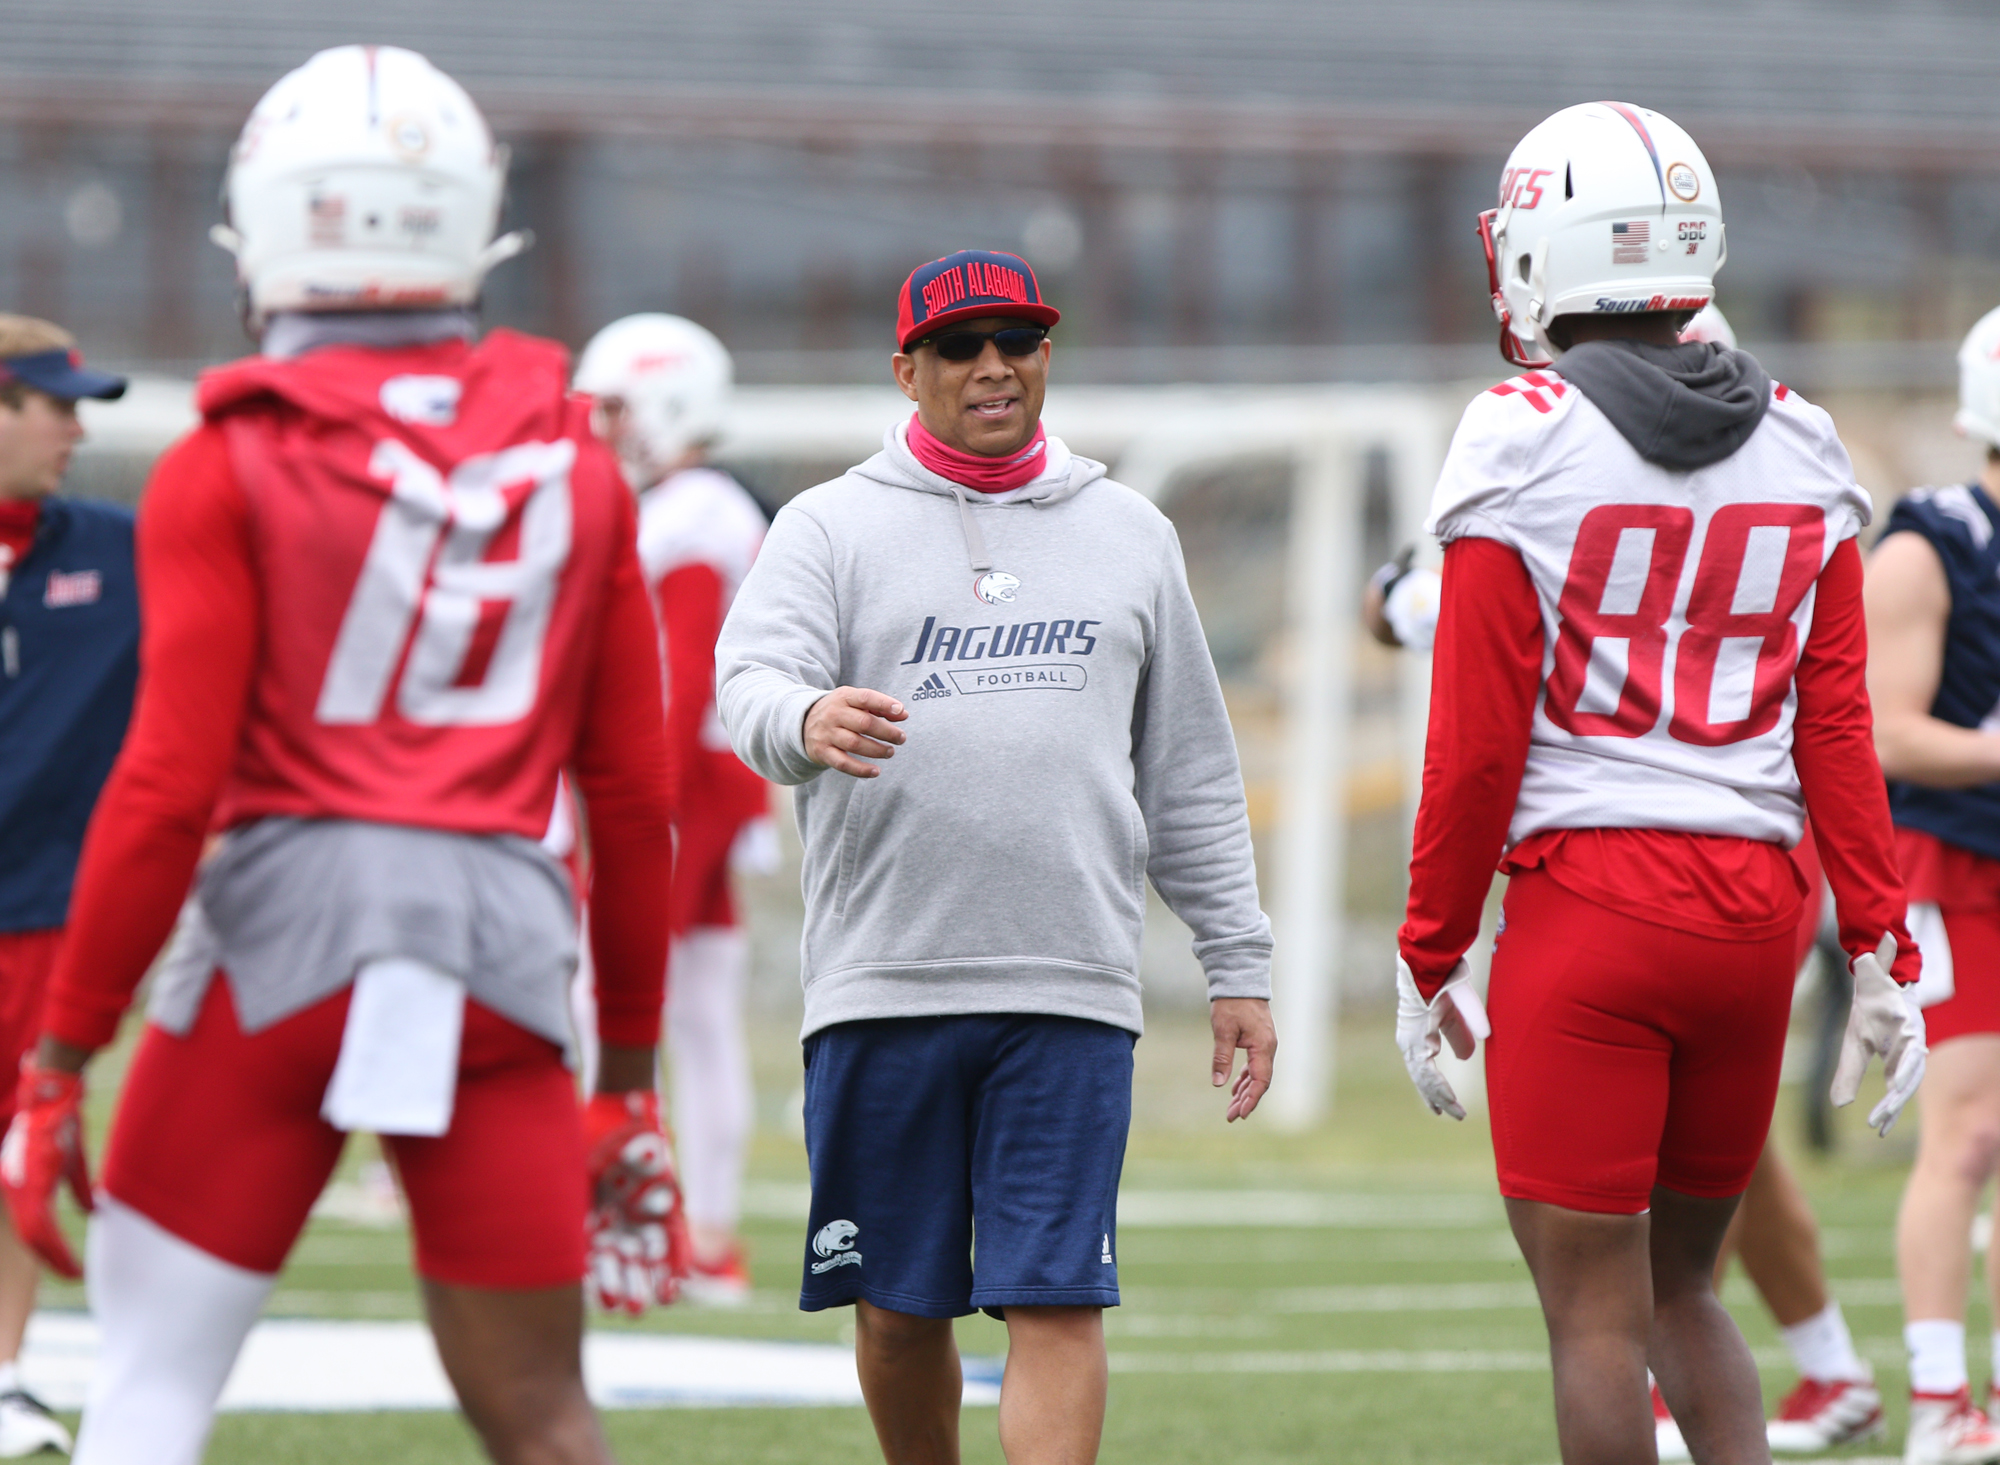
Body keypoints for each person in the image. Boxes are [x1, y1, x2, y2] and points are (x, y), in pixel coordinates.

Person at [0, 46, 678, 1465]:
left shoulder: (227, 455)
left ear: (268, 219)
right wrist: (625, 1071)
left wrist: (62, 1055)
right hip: (497, 948)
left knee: (148, 1390)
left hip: (282, 941)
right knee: (547, 1422)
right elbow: (629, 795)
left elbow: (168, 783)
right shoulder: (580, 465)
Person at [1394, 101, 1924, 1465]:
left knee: (1593, 1317)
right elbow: (1835, 723)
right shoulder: (1803, 438)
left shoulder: (1519, 431)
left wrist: (1431, 941)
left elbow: (1478, 737)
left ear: (1541, 252)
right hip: (1754, 911)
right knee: (1686, 1287)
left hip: (1592, 901)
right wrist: (1877, 934)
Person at [714, 248, 1276, 1465]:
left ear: (1044, 358)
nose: (991, 367)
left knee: (1058, 1297)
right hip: (883, 982)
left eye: (1015, 342)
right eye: (960, 346)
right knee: (894, 1310)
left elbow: (1186, 768)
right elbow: (746, 683)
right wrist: (803, 718)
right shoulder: (828, 525)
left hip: (1070, 986)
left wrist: (1237, 961)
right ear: (906, 369)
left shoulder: (1129, 532)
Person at [574, 313, 771, 1303]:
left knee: (609, 998)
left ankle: (641, 1221)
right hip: (710, 781)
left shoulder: (692, 513)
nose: (605, 427)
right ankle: (706, 1236)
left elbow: (679, 675)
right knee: (696, 1012)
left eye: (617, 406)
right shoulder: (700, 506)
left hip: (683, 782)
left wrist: (634, 797)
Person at [1869, 303, 2000, 1465]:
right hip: (1955, 864)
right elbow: (1883, 732)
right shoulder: (1931, 544)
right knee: (1966, 1133)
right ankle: (1935, 1400)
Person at [0, 318, 130, 1457]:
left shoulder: (119, 550)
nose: (78, 432)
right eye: (58, 407)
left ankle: (2, 1374)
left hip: (44, 906)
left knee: (18, 1140)